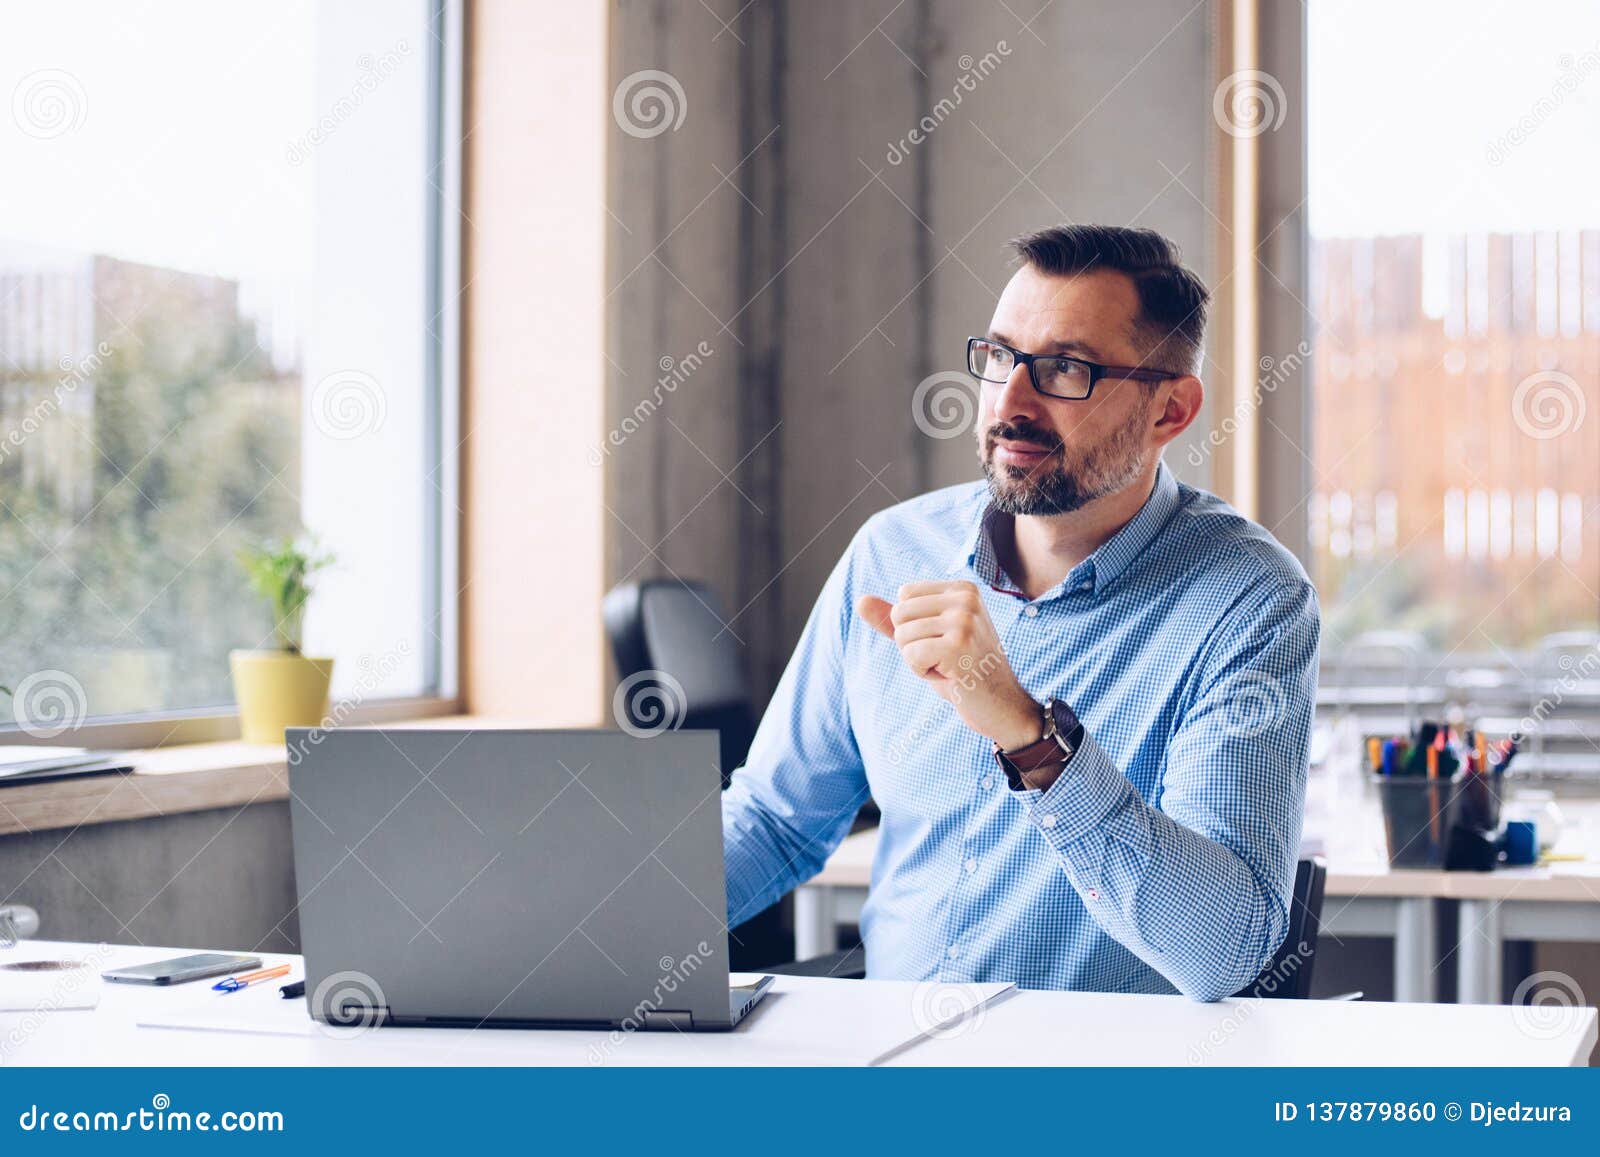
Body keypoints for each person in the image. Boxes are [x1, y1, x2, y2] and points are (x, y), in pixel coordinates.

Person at [721, 224, 1319, 1000]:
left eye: (1065, 368)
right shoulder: (892, 550)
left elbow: (1221, 952)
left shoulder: (1249, 601)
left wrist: (1032, 738)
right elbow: (774, 821)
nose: (1011, 402)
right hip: (884, 1074)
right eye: (1000, 357)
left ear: (1172, 410)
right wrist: (576, 936)